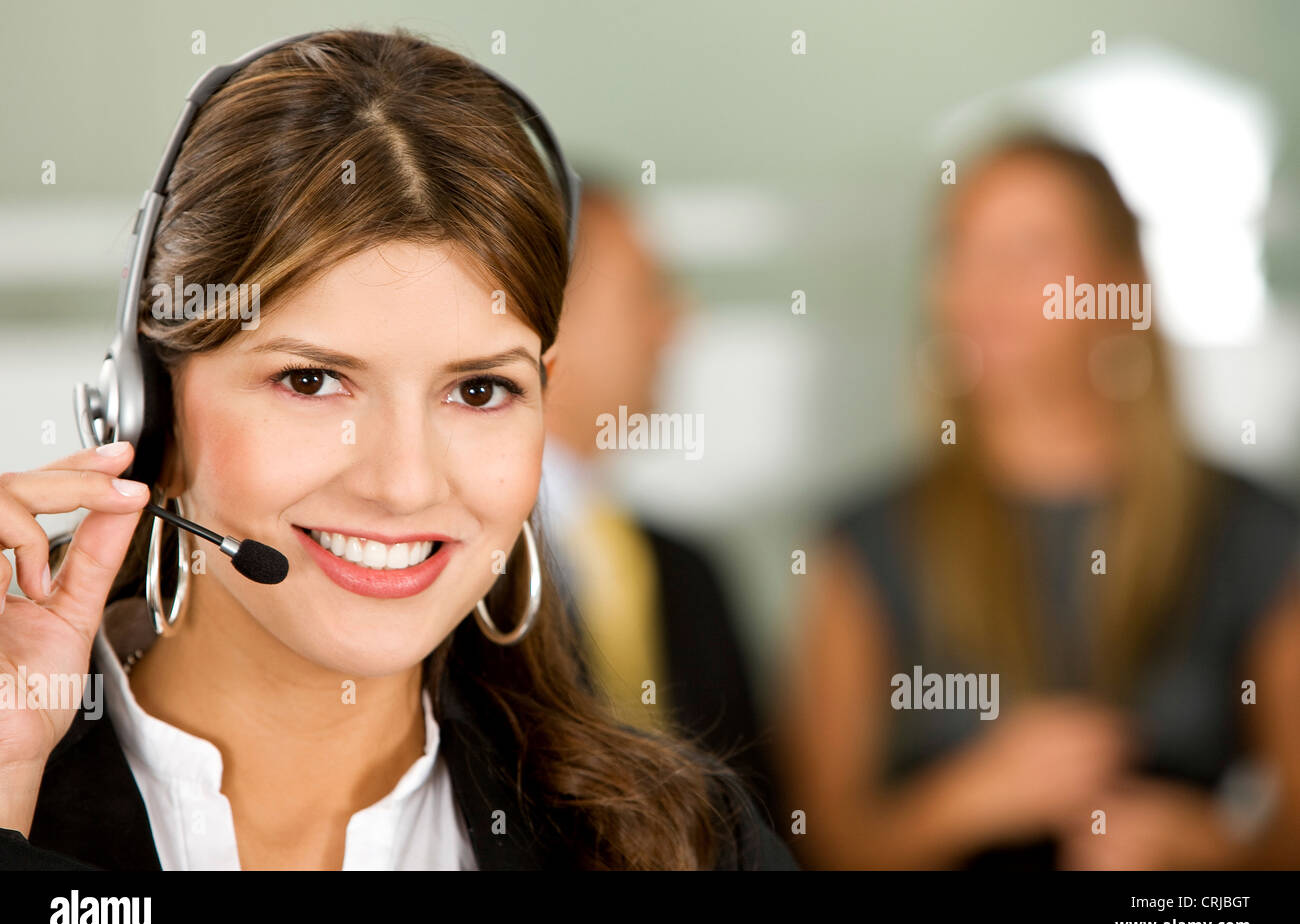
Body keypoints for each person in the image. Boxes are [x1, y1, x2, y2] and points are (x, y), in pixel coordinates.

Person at [0, 28, 795, 871]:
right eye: (311, 381)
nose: (403, 484)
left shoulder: (685, 845)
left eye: (480, 390)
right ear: (149, 404)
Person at [776, 132, 1300, 869]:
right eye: (960, 248)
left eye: (1030, 251)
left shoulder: (1257, 536)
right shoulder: (864, 544)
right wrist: (968, 801)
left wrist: (1207, 852)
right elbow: (811, 845)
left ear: (1121, 286)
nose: (984, 286)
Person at [539, 174, 775, 821]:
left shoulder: (689, 574)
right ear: (544, 315)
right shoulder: (439, 569)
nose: (677, 323)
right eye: (646, 293)